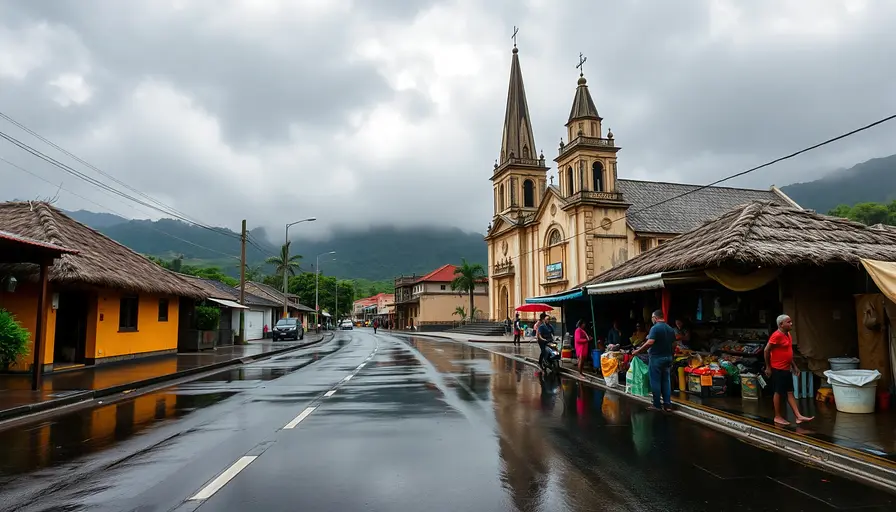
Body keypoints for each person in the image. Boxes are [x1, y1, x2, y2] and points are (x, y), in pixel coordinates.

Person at [765, 314, 814, 426]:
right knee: (778, 392)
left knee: (790, 392)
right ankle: (777, 416)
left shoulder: (788, 335)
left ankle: (798, 416)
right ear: (781, 324)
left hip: (786, 368)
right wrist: (768, 367)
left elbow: (788, 352)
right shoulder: (776, 335)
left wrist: (794, 366)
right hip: (778, 368)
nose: (791, 324)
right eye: (788, 322)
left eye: (791, 321)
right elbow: (766, 351)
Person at [632, 310, 675, 412]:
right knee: (666, 381)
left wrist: (638, 351)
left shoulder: (655, 328)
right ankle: (667, 405)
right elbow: (674, 344)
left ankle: (656, 404)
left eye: (652, 318)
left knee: (655, 381)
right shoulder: (670, 328)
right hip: (668, 357)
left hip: (656, 358)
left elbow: (650, 342)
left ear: (655, 318)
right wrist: (671, 355)